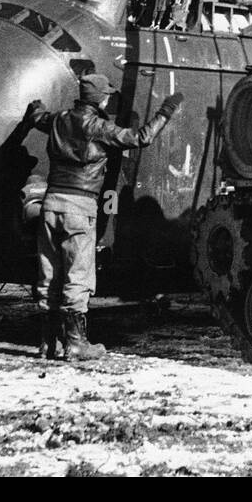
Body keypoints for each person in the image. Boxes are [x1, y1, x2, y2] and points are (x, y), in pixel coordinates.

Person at [24, 75, 183, 360]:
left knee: (49, 276)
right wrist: (165, 112)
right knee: (78, 275)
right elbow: (140, 138)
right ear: (99, 99)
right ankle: (75, 343)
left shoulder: (59, 120)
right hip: (79, 207)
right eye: (106, 95)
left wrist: (35, 108)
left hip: (50, 205)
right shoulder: (98, 126)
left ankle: (49, 342)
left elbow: (39, 119)